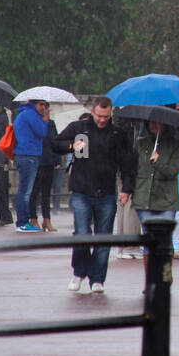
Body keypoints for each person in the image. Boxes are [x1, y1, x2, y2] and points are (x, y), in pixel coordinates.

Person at [53, 96, 134, 293]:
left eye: (106, 116)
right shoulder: (78, 128)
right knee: (82, 234)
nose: (103, 120)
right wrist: (71, 146)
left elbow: (127, 164)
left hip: (106, 192)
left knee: (103, 237)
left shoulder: (118, 133)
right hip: (81, 190)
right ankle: (79, 272)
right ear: (92, 112)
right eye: (99, 116)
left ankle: (97, 279)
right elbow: (55, 144)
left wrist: (126, 189)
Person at [133, 119, 179, 249]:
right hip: (144, 199)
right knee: (149, 241)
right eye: (151, 122)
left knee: (164, 242)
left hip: (165, 201)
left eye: (158, 122)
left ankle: (163, 269)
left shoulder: (176, 144)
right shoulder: (141, 144)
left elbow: (173, 172)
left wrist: (158, 161)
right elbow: (133, 169)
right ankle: (150, 269)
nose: (154, 125)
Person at [12, 99, 50, 231]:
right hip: (29, 155)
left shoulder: (23, 114)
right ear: (34, 104)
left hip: (23, 154)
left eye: (44, 105)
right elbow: (42, 132)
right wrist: (45, 120)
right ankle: (23, 222)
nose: (43, 108)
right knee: (26, 191)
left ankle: (23, 221)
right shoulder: (31, 115)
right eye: (41, 104)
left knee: (24, 190)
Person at [29, 111, 60, 231]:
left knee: (46, 193)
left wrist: (57, 160)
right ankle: (33, 218)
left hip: (49, 161)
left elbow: (55, 141)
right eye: (42, 106)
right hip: (37, 160)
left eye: (46, 107)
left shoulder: (51, 124)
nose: (45, 110)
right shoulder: (35, 123)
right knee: (34, 191)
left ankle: (47, 219)